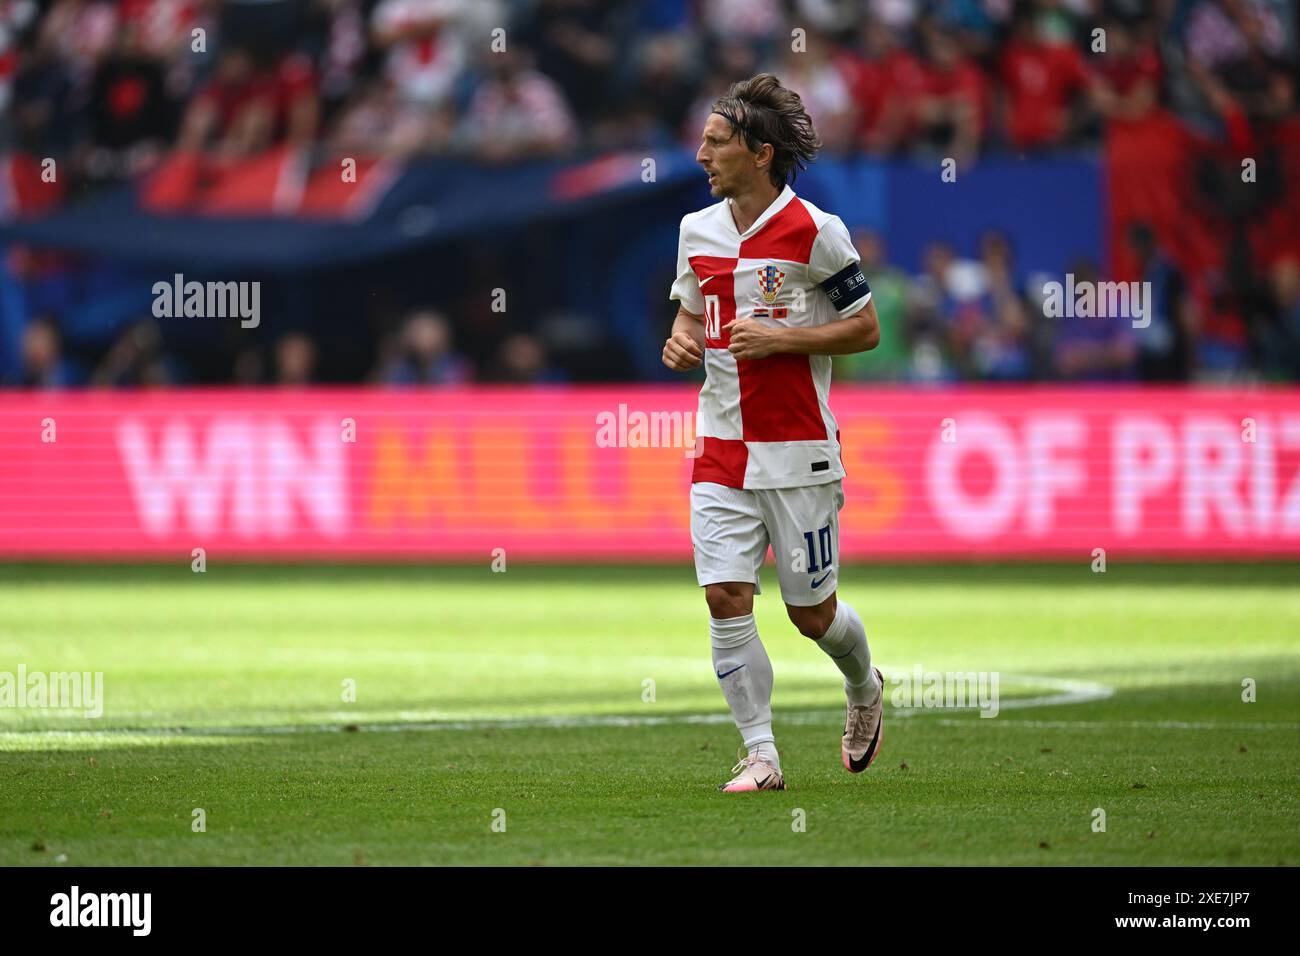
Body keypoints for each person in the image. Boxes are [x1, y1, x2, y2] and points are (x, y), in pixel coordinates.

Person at [661, 73, 884, 793]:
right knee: (726, 598)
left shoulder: (817, 232)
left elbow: (866, 329)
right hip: (721, 446)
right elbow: (691, 314)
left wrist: (785, 340)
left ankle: (864, 689)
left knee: (810, 614)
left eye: (717, 143)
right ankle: (761, 754)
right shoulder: (696, 231)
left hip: (798, 450)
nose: (702, 155)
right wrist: (681, 339)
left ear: (760, 153)